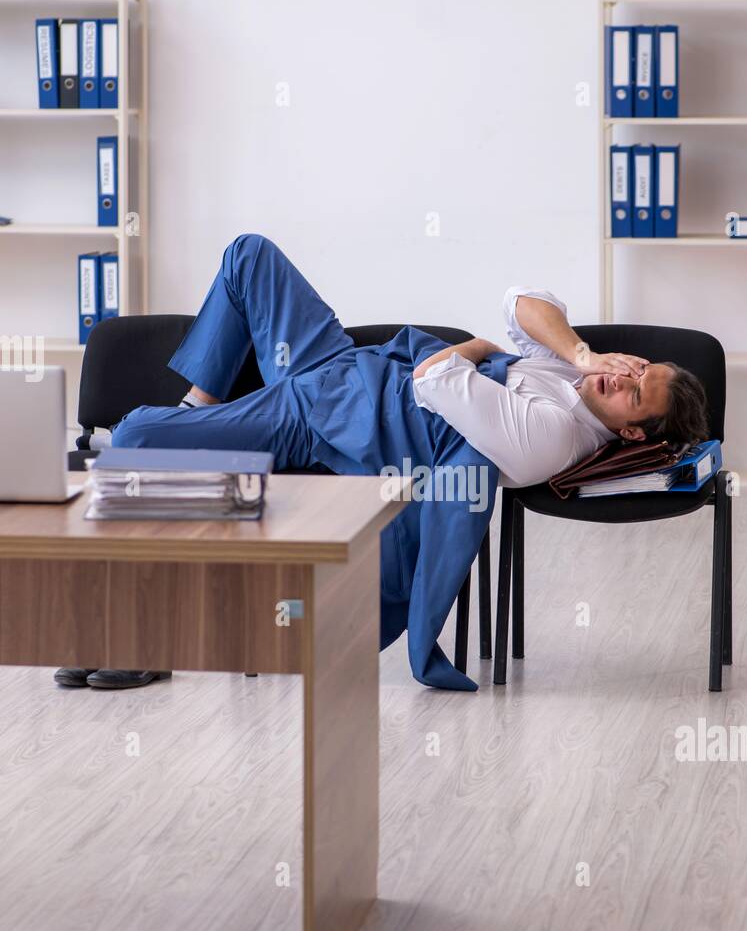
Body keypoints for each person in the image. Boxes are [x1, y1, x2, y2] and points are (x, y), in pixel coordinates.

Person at [55, 235, 708, 690]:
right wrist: (581, 353)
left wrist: (478, 347)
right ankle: (197, 411)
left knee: (136, 434)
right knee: (249, 254)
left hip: (325, 416)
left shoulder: (550, 436)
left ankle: (138, 639)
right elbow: (521, 302)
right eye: (637, 369)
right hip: (332, 365)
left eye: (633, 393)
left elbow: (431, 378)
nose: (624, 377)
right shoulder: (568, 371)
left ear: (628, 433)